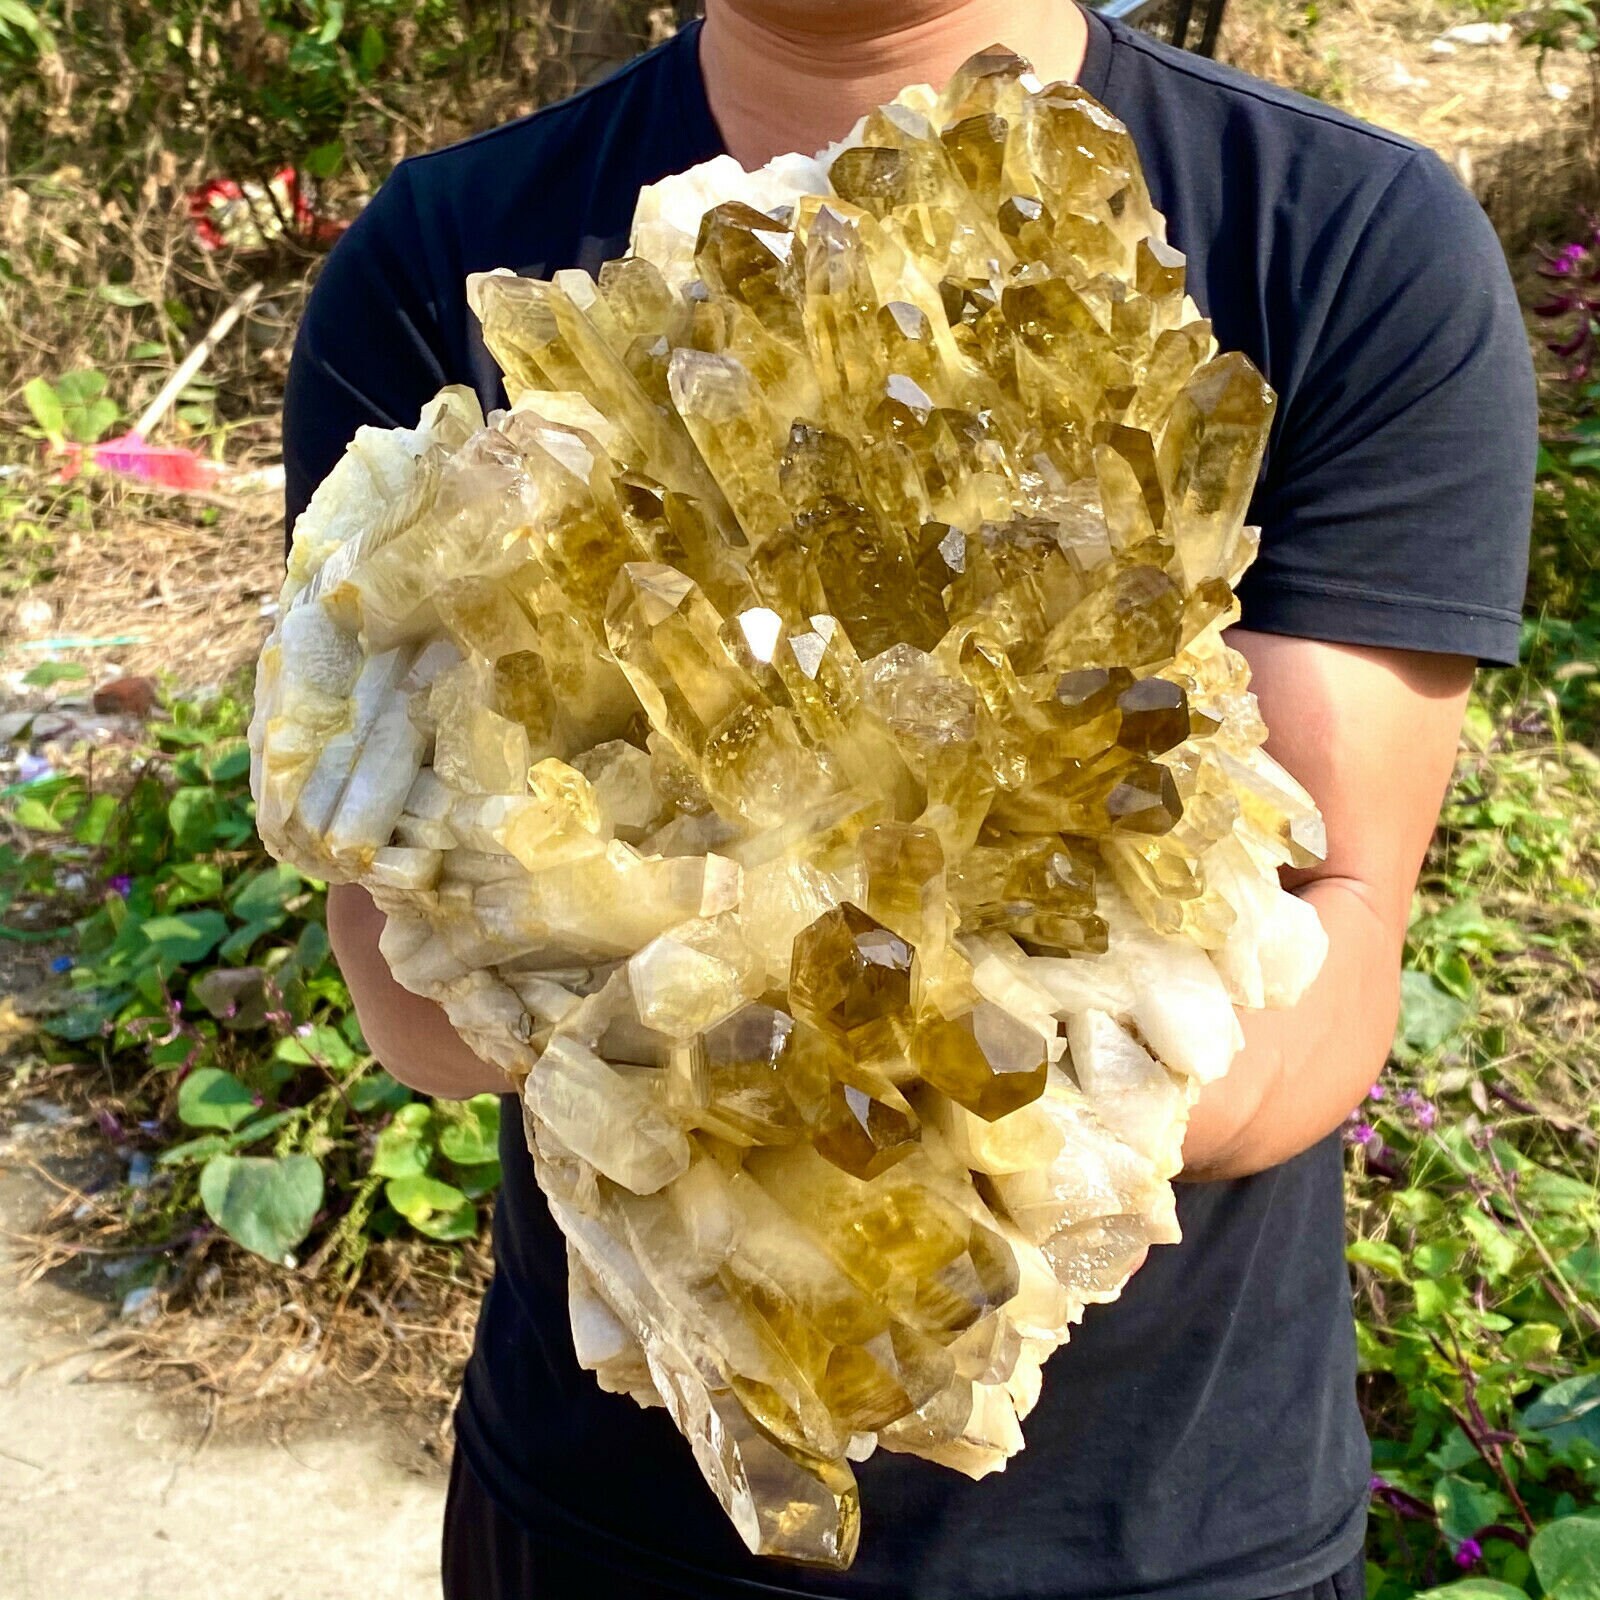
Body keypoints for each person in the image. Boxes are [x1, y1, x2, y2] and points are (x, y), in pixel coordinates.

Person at [284, 3, 1535, 1596]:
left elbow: (1338, 919)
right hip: (607, 1520)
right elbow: (404, 972)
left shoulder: (1347, 234)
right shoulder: (444, 247)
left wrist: (962, 1096)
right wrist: (717, 995)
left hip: (1173, 1537)